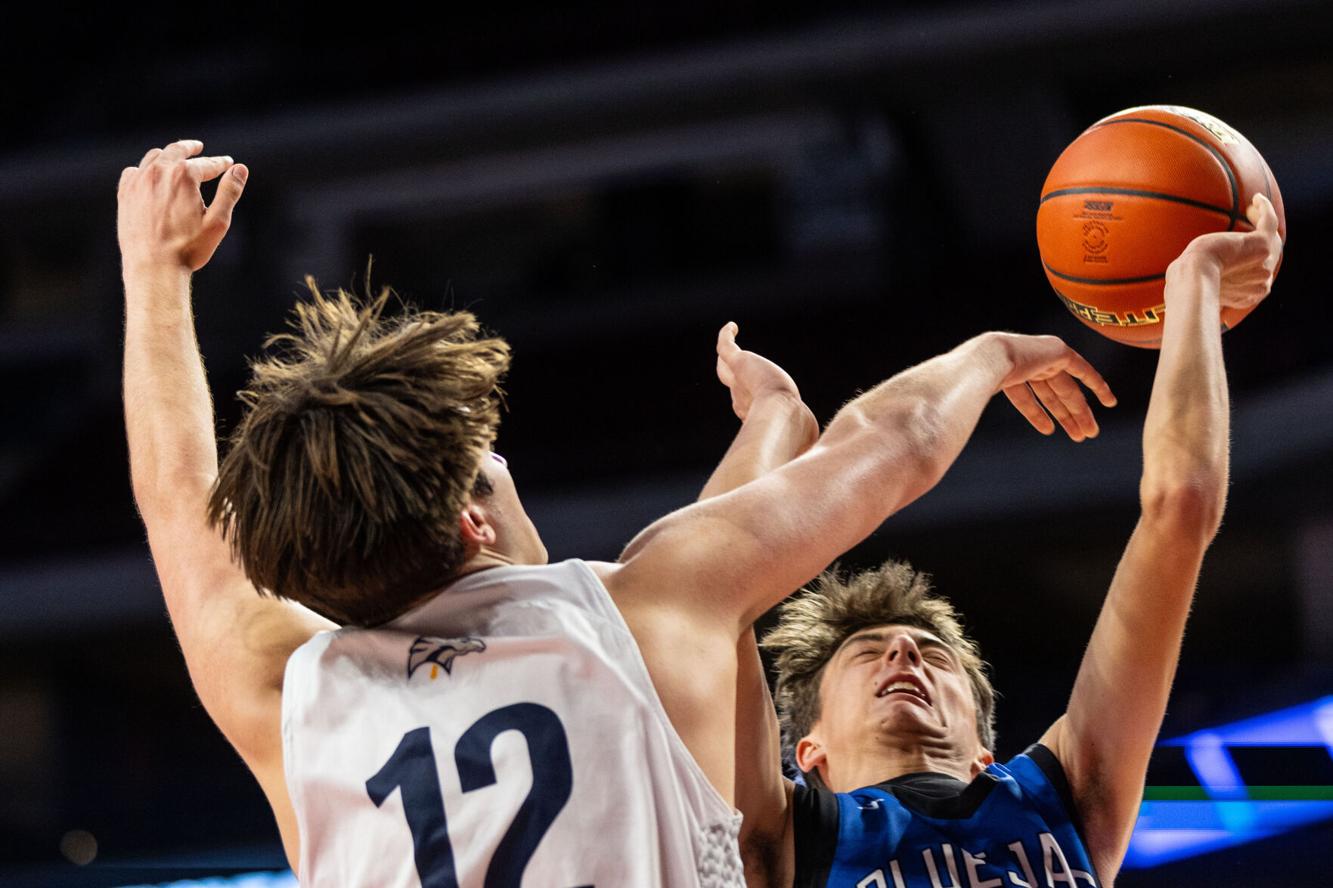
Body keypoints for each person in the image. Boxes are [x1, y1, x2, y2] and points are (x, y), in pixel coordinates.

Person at [118, 139, 1112, 886]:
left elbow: (178, 509)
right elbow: (890, 445)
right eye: (492, 464)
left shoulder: (290, 702)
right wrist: (988, 354)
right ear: (471, 524)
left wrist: (152, 280)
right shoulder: (642, 613)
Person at [726, 195, 1284, 888]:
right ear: (810, 752)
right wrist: (773, 418)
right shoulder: (785, 837)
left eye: (934, 656)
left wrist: (1193, 281)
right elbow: (716, 592)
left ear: (983, 750)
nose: (904, 653)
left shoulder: (1059, 796)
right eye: (867, 654)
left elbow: (1181, 505)